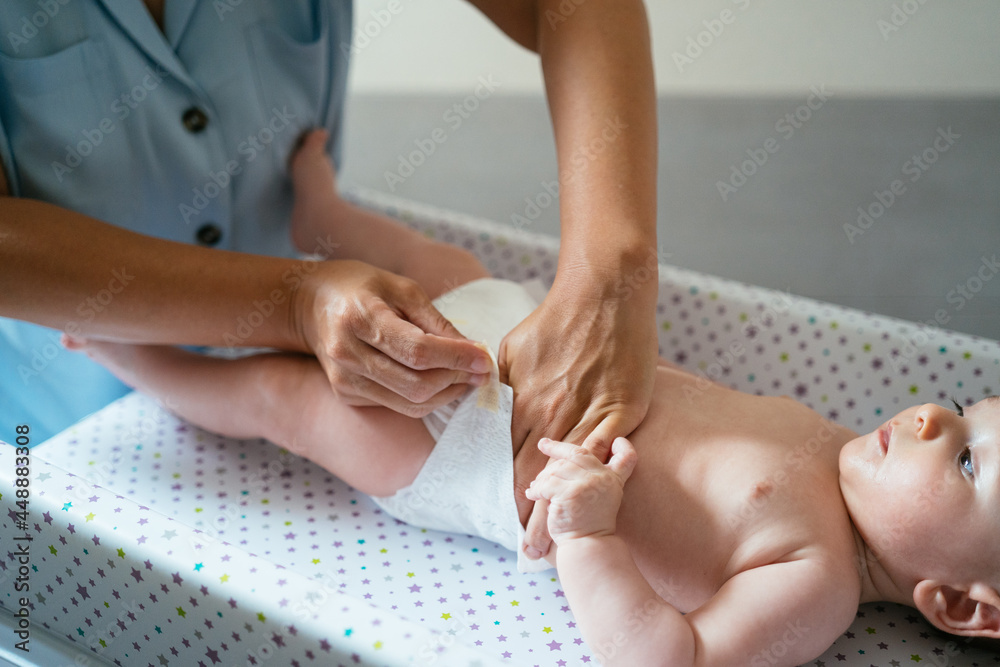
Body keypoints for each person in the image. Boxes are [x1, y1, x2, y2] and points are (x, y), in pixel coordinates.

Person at [63, 131, 1000, 665]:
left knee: (285, 399)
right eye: (962, 407)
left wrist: (590, 534)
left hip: (467, 458)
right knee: (444, 266)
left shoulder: (818, 581)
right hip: (538, 345)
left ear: (959, 604)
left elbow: (670, 660)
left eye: (962, 460)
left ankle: (140, 360)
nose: (927, 418)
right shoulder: (843, 451)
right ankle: (331, 219)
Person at [0, 0, 659, 559]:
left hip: (463, 373)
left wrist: (610, 272)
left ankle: (324, 214)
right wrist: (293, 303)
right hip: (73, 401)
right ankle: (138, 355)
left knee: (430, 269)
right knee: (285, 394)